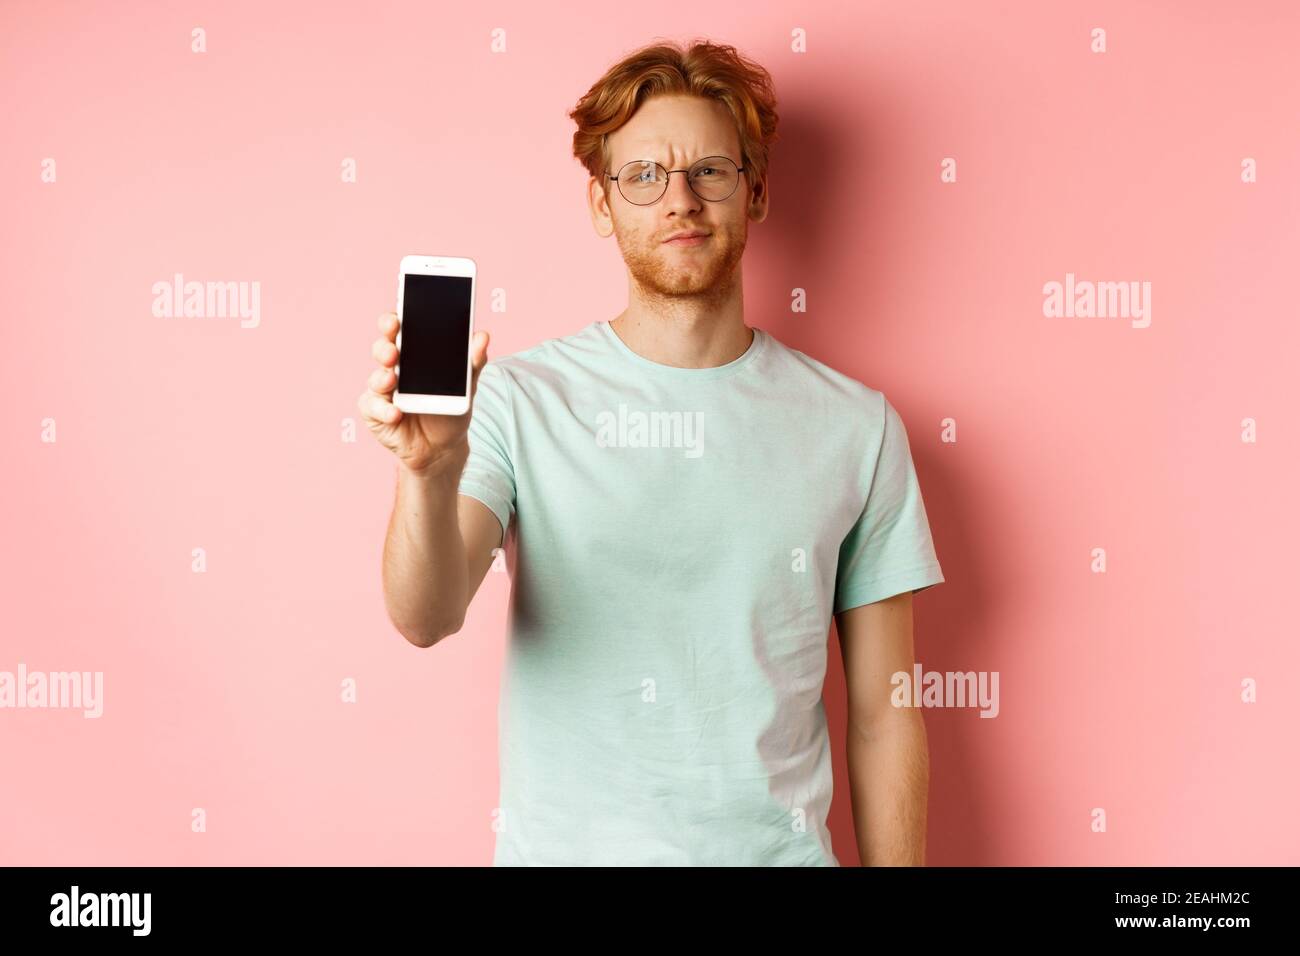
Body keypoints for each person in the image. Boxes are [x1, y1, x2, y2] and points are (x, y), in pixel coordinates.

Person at [358, 39, 945, 866]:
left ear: (757, 192)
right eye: (643, 176)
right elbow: (424, 616)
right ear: (603, 205)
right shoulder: (519, 402)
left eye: (710, 170)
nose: (680, 201)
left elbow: (886, 714)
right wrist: (426, 471)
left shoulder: (858, 425)